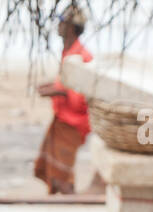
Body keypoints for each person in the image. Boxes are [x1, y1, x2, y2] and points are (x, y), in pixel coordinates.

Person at [35, 5, 93, 196]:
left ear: (70, 27)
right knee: (54, 171)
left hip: (73, 122)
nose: (58, 27)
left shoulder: (81, 56)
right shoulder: (69, 52)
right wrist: (52, 87)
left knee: (62, 175)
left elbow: (79, 98)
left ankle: (72, 206)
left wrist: (56, 92)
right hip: (62, 118)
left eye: (61, 23)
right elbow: (66, 85)